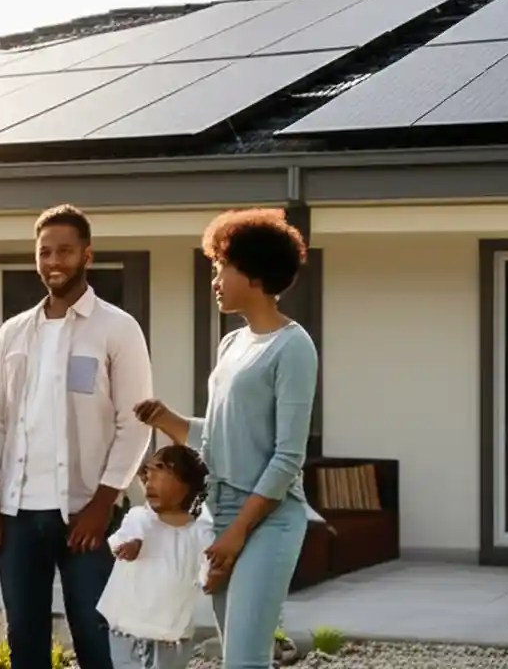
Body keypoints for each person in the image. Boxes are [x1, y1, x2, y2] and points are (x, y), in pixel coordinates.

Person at [133, 208, 318, 669]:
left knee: (245, 659)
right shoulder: (231, 344)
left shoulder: (293, 348)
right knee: (231, 650)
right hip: (222, 514)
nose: (214, 279)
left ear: (254, 274)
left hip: (268, 519)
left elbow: (287, 458)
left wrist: (237, 533)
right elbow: (216, 438)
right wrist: (167, 419)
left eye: (221, 268)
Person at [0, 204, 154, 669]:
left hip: (84, 514)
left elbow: (134, 422)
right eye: (45, 252)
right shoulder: (12, 332)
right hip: (16, 514)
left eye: (65, 251)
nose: (54, 261)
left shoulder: (117, 328)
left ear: (87, 255)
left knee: (95, 639)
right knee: (25, 641)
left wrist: (103, 503)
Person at [97, 445, 214, 669]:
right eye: (149, 476)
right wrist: (130, 546)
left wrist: (213, 575)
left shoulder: (201, 532)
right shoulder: (139, 519)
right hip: (128, 631)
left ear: (187, 484)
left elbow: (208, 573)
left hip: (172, 636)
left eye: (162, 474)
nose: (150, 483)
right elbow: (116, 545)